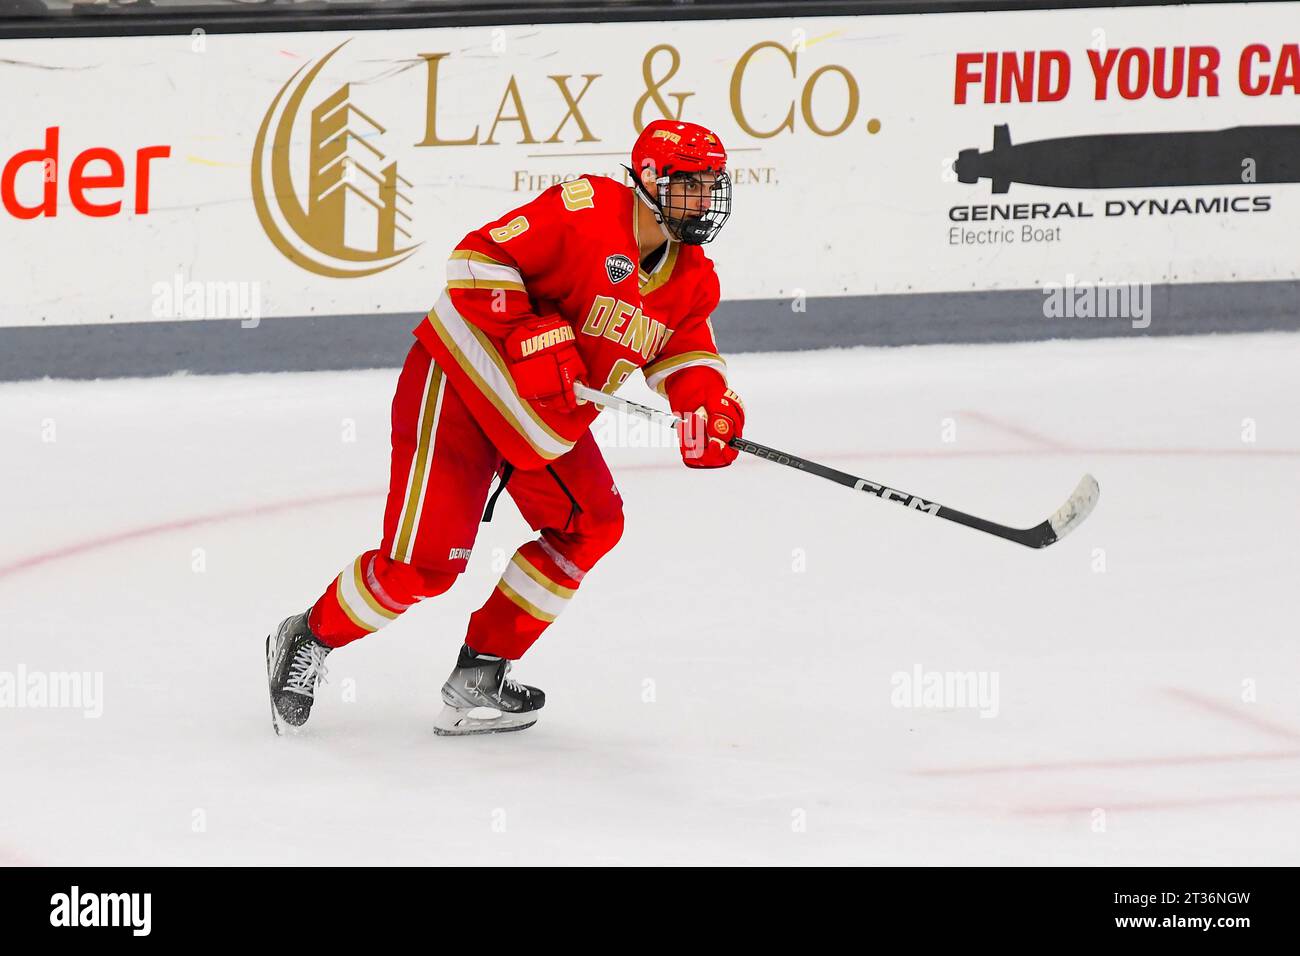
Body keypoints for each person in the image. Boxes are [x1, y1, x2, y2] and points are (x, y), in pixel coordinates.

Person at [266, 119, 746, 736]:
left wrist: (707, 408)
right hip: (463, 384)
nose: (704, 201)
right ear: (650, 179)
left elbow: (685, 353)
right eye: (691, 185)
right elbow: (476, 258)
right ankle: (307, 636)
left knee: (591, 525)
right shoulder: (586, 209)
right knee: (422, 570)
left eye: (712, 186)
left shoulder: (691, 277)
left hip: (541, 421)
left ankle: (483, 668)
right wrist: (527, 333)